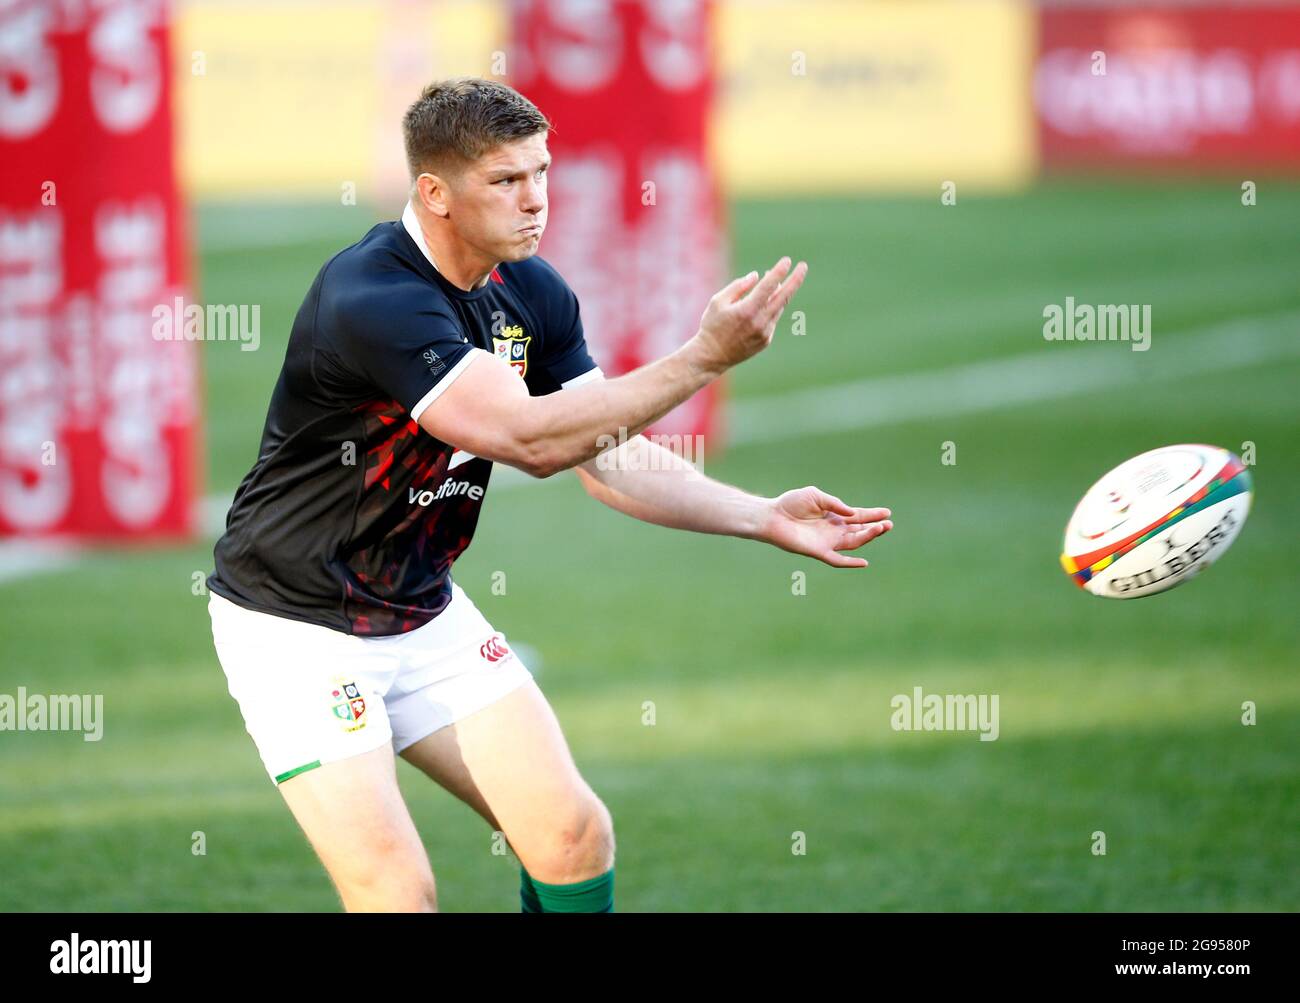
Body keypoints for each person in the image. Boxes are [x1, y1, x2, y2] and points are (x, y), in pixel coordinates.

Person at [206, 77, 893, 913]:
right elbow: (531, 441)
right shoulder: (373, 296)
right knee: (398, 891)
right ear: (436, 193)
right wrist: (703, 357)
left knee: (571, 834)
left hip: (420, 608)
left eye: (542, 173)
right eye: (505, 181)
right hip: (295, 625)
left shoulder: (528, 288)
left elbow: (605, 454)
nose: (535, 200)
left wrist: (760, 514)